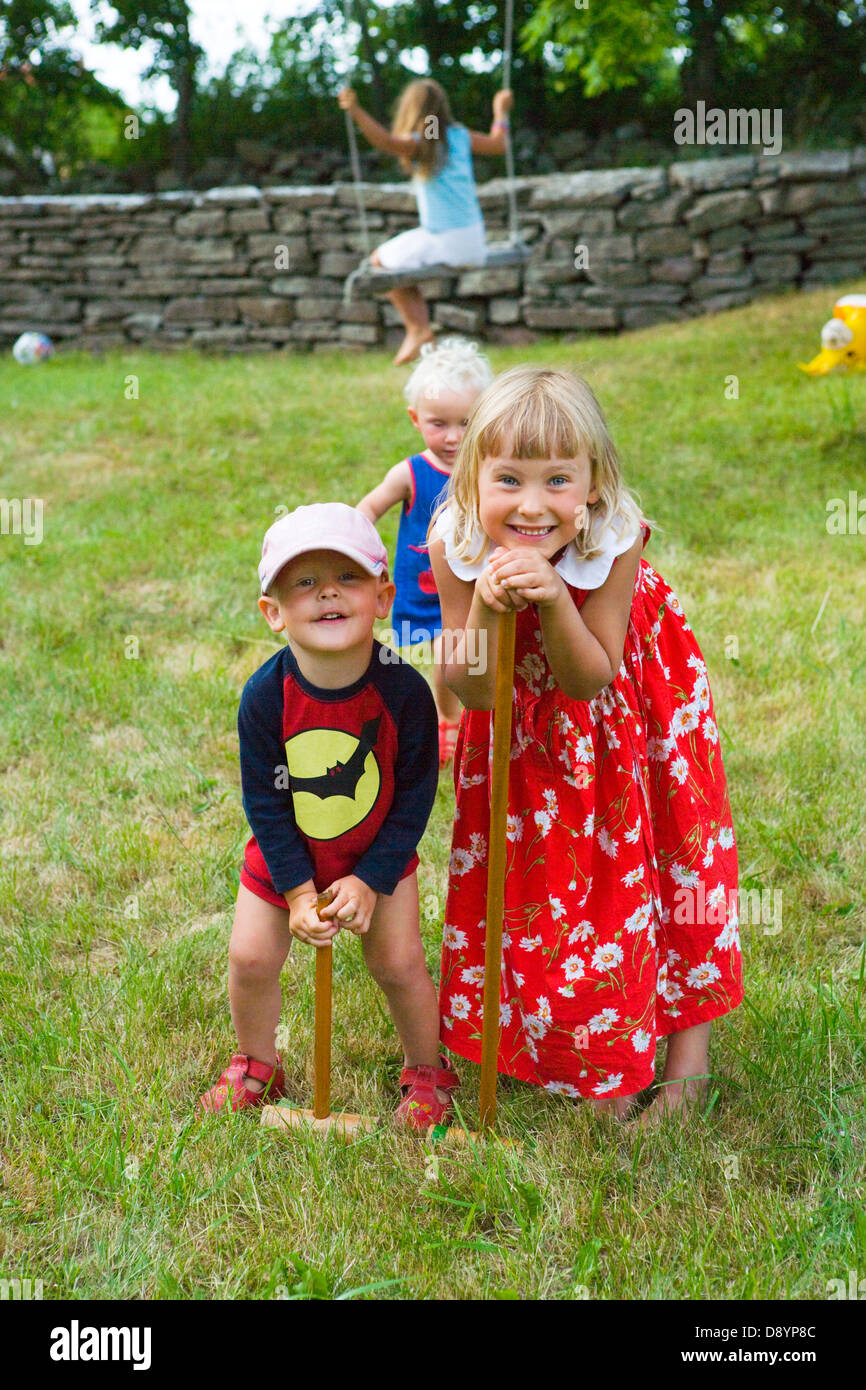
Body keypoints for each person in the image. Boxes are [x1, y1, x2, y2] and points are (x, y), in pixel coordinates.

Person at [428, 367, 744, 1124]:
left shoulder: (612, 541)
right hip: (518, 735)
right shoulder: (456, 543)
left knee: (665, 863)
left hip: (628, 717)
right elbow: (471, 689)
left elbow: (588, 677)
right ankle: (571, 1045)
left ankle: (685, 1061)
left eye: (557, 480)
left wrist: (550, 598)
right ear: (471, 478)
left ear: (594, 484)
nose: (532, 505)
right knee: (551, 880)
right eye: (508, 479)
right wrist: (487, 603)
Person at [201, 503, 458, 1129]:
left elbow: (415, 797)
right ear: (274, 612)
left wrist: (372, 879)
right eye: (304, 583)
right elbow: (265, 804)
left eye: (346, 577)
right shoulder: (265, 697)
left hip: (378, 855)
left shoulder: (404, 692)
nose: (328, 594)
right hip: (287, 856)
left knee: (397, 963)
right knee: (251, 959)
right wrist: (295, 894)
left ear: (383, 595)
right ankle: (258, 1062)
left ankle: (427, 1071)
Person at [358, 336, 493, 766]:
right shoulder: (410, 473)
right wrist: (358, 550)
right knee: (443, 653)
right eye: (439, 423)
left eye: (466, 424)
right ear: (416, 418)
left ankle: (457, 715)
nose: (453, 437)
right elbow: (369, 507)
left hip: (470, 585)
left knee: (462, 651)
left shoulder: (490, 472)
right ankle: (447, 719)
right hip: (422, 587)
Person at [337, 78, 514, 365]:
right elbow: (499, 144)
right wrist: (500, 111)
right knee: (398, 259)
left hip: (444, 239)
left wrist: (356, 110)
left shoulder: (421, 144)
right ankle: (419, 331)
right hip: (474, 242)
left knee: (379, 261)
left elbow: (384, 141)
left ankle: (418, 329)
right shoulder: (459, 135)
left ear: (412, 110)